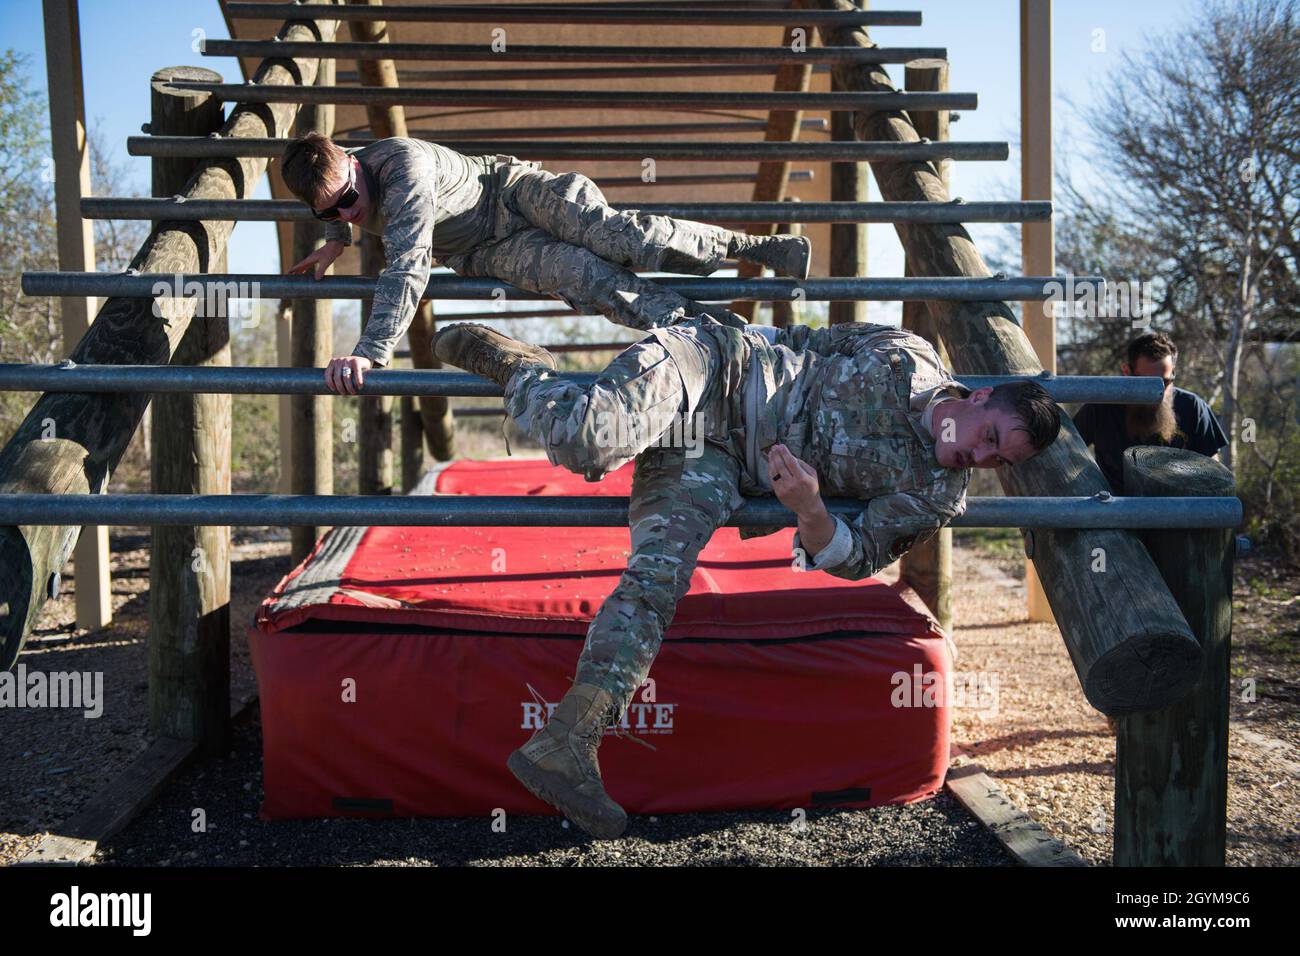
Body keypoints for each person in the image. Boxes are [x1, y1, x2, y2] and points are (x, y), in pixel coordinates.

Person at [432, 314, 1064, 838]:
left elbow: (857, 557)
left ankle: (568, 741)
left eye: (995, 461)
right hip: (716, 367)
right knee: (589, 443)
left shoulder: (935, 493)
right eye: (988, 437)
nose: (976, 457)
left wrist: (811, 511)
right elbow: (812, 340)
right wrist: (728, 346)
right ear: (979, 397)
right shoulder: (908, 352)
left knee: (657, 581)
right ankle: (520, 370)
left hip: (719, 460)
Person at [278, 133, 811, 394]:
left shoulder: (403, 169)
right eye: (330, 209)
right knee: (587, 278)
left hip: (507, 191)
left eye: (349, 197)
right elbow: (333, 202)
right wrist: (335, 240)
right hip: (480, 249)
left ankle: (750, 249)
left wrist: (370, 353)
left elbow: (408, 265)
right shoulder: (337, 191)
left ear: (354, 159)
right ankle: (712, 330)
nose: (350, 211)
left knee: (620, 237)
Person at [1073, 331, 1228, 492]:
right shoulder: (1101, 407)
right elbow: (1067, 453)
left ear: (1173, 372)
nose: (1157, 392)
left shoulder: (1193, 407)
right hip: (1116, 512)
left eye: (1165, 382)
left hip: (1178, 511)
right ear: (1127, 372)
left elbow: (1212, 475)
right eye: (1147, 383)